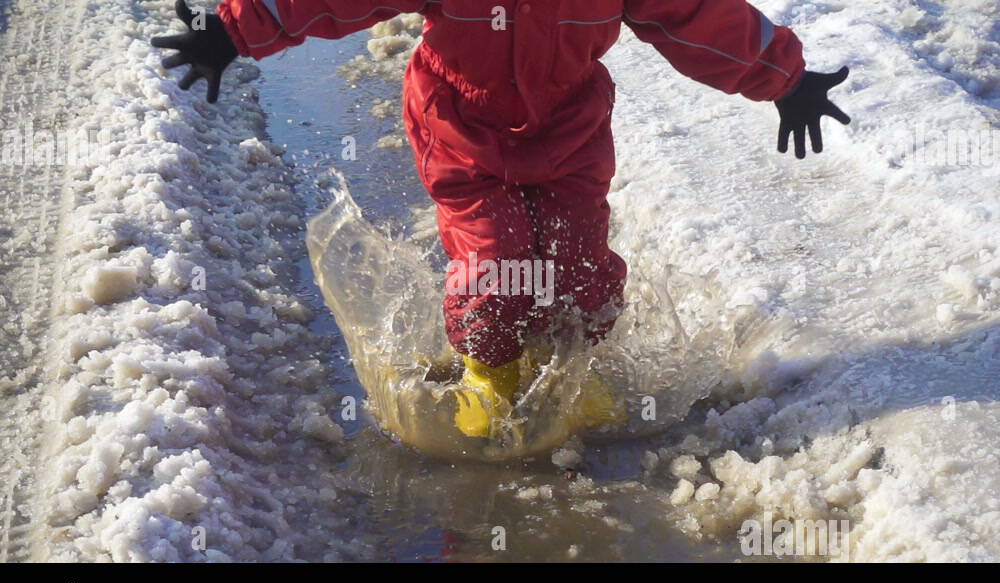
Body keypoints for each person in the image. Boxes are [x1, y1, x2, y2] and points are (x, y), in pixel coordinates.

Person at [151, 0, 851, 438]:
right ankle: (487, 376)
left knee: (581, 268)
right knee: (499, 265)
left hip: (571, 129)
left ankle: (567, 365)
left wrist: (784, 77)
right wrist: (234, 29)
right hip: (462, 131)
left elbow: (700, 16)